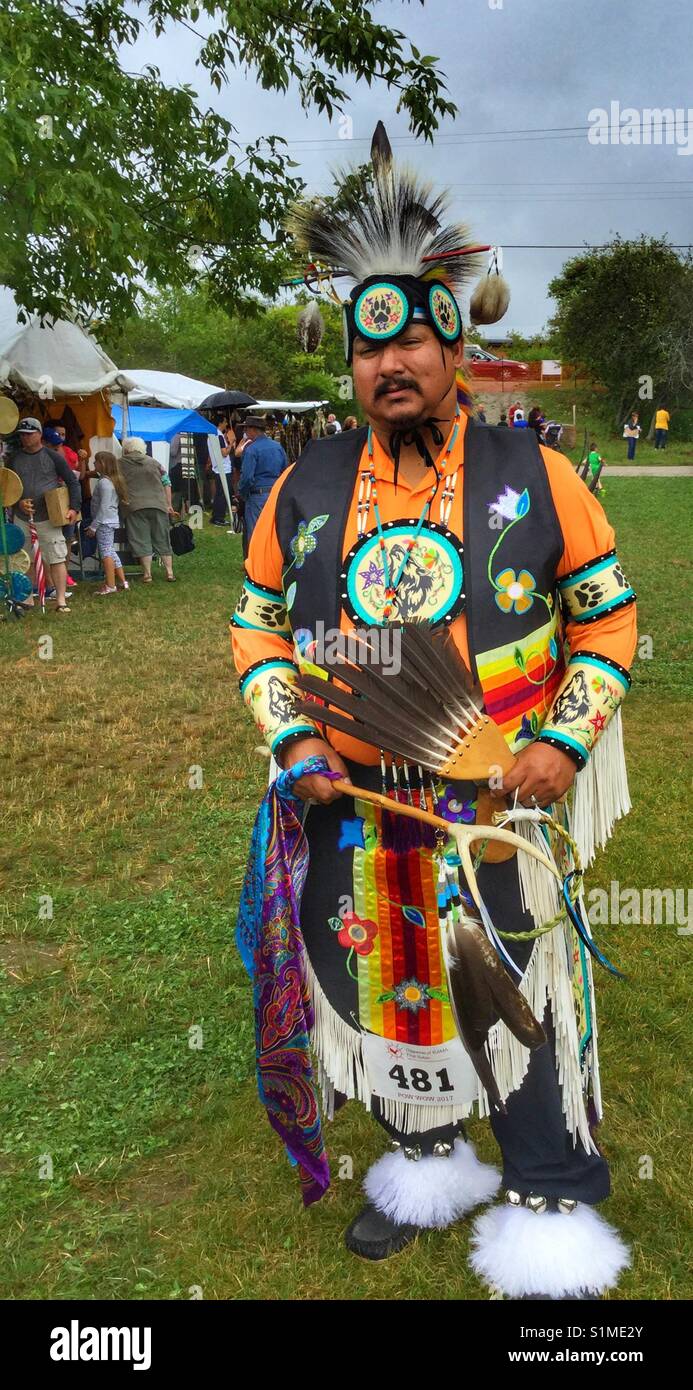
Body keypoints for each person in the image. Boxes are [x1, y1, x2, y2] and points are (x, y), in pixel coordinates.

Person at [231, 125, 637, 1300]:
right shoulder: (304, 488)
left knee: (512, 985)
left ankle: (550, 1187)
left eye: (411, 337)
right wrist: (292, 731)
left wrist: (563, 739)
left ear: (454, 344)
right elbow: (258, 623)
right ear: (347, 366)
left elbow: (608, 620)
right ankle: (422, 1160)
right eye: (368, 350)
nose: (388, 365)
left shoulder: (535, 473)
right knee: (376, 984)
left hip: (491, 800)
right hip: (350, 805)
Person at [10, 417, 81, 614]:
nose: (25, 437)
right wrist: (18, 502)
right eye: (22, 434)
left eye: (29, 433)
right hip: (22, 517)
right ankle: (27, 598)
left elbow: (72, 481)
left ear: (39, 434)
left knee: (56, 557)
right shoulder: (14, 458)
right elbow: (6, 487)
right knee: (24, 558)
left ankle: (60, 600)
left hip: (49, 515)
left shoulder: (53, 456)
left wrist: (73, 508)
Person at [119, 437, 176, 583]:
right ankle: (169, 572)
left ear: (126, 449)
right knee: (162, 537)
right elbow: (167, 483)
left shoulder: (120, 463)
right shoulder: (154, 462)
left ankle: (147, 574)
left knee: (141, 538)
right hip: (158, 505)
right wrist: (168, 504)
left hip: (135, 506)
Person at [236, 416, 288, 554]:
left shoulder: (252, 449)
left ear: (253, 429)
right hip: (275, 494)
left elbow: (247, 477)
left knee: (255, 532)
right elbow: (286, 471)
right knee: (272, 531)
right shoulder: (278, 447)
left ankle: (256, 566)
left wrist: (242, 493)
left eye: (246, 428)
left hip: (257, 495)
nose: (245, 431)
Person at [86, 452, 129, 594]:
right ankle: (123, 581)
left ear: (103, 464)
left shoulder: (104, 483)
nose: (94, 464)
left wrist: (93, 526)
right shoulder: (111, 480)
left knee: (105, 552)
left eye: (96, 461)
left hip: (104, 522)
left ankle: (110, 585)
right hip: (110, 520)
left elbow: (103, 507)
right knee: (110, 550)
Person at [210, 426, 234, 525]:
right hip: (223, 468)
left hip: (218, 467)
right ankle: (219, 518)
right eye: (225, 422)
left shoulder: (212, 434)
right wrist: (231, 442)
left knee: (219, 493)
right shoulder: (218, 435)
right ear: (221, 423)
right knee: (223, 494)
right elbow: (224, 453)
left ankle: (216, 515)